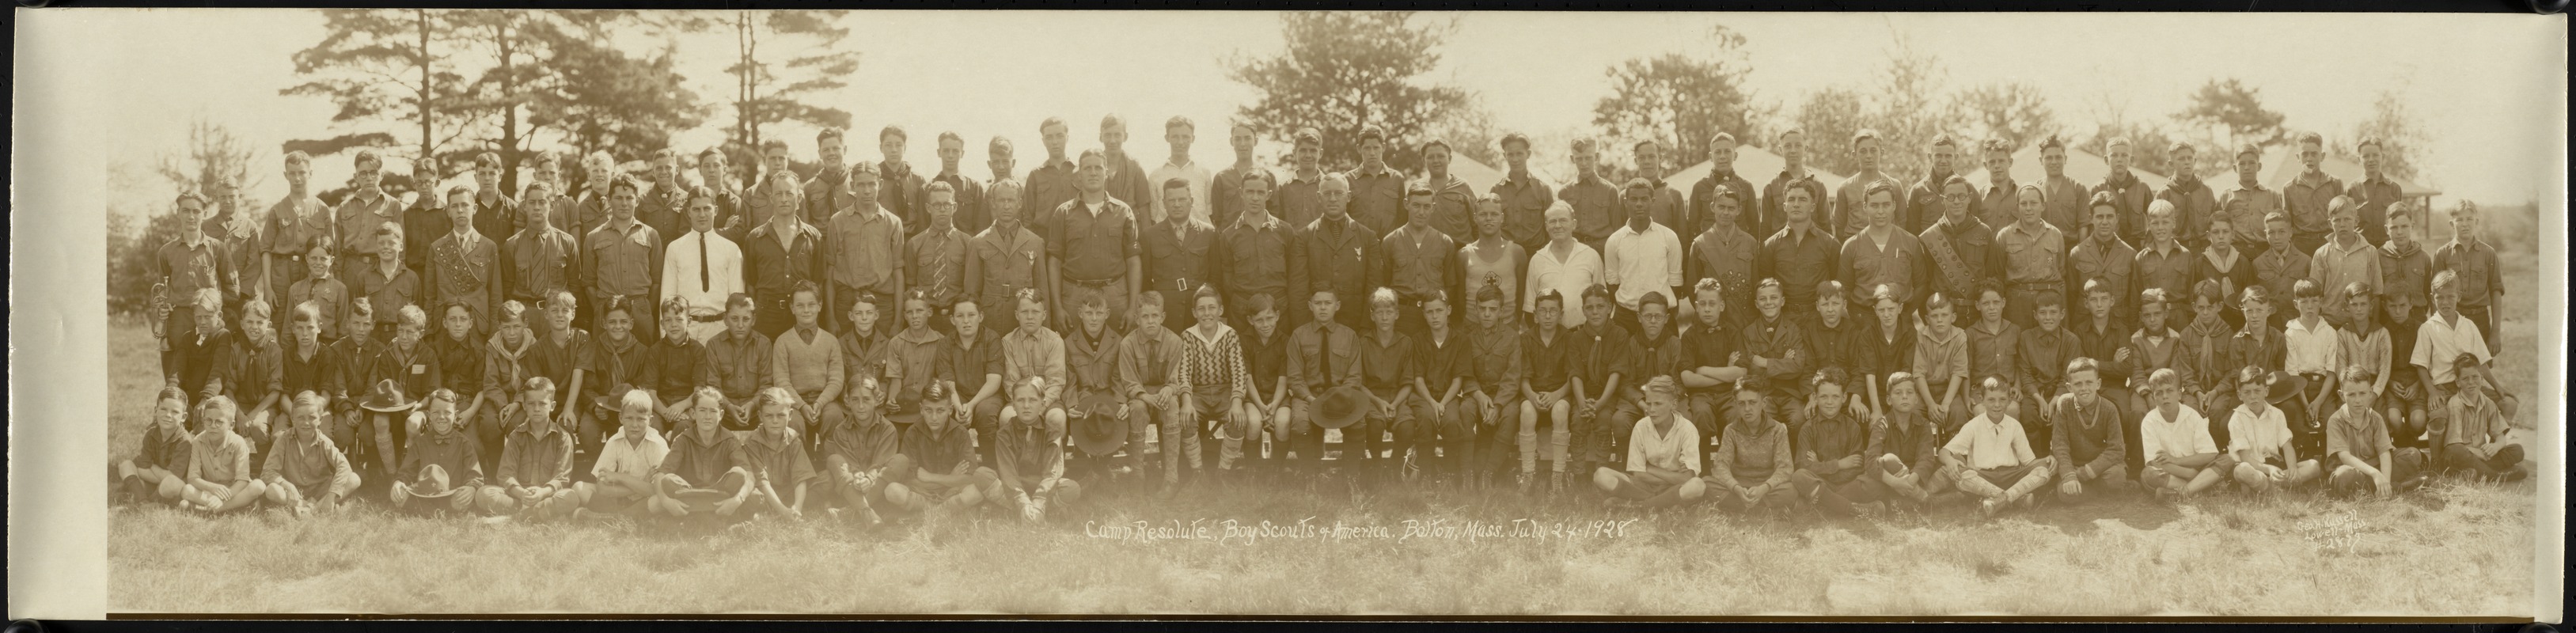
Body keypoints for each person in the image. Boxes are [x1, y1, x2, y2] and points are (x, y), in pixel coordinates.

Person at [1044, 150, 1144, 333]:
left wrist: (1133, 307)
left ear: (1106, 172)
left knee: (1118, 349)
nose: (1093, 172)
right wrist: (1057, 307)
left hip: (1115, 294)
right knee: (1073, 351)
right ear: (1079, 174)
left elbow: (1133, 261)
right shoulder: (1063, 213)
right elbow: (1054, 263)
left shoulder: (1123, 212)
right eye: (1087, 168)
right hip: (1074, 294)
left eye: (1098, 168)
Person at [1939, 377, 2054, 516]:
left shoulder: (2014, 426)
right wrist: (1949, 460)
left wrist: (2047, 460)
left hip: (2012, 477)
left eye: (2003, 400)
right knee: (1962, 477)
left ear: (2010, 401)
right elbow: (1944, 452)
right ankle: (2014, 498)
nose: (1997, 405)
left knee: (2045, 468)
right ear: (1982, 400)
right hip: (1983, 478)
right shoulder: (1973, 425)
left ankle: (1999, 500)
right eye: (1991, 400)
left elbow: (2029, 462)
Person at [882, 383, 1002, 517]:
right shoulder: (912, 433)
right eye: (928, 410)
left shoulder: (960, 433)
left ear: (950, 410)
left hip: (951, 492)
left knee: (976, 492)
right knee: (892, 490)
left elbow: (969, 479)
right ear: (921, 409)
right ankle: (945, 510)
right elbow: (910, 479)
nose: (934, 417)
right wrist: (951, 477)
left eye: (940, 411)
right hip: (922, 492)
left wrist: (930, 477)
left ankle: (933, 511)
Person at [648, 386, 757, 523]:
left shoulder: (730, 440)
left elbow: (749, 475)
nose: (707, 416)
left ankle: (694, 517)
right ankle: (714, 518)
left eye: (713, 411)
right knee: (659, 495)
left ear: (721, 415)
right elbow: (661, 475)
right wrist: (667, 502)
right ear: (693, 413)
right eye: (702, 410)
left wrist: (737, 499)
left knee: (743, 480)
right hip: (689, 492)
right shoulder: (683, 440)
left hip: (721, 493)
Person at [1593, 376, 1707, 506]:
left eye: (1658, 404)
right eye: (1649, 403)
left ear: (1674, 405)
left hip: (1674, 487)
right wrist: (1672, 476)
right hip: (1645, 486)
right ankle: (1661, 503)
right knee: (1601, 475)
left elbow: (1687, 478)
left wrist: (1649, 468)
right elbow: (1638, 474)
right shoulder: (1641, 427)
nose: (1651, 409)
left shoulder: (1687, 429)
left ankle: (1640, 505)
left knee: (1697, 486)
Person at [1284, 289, 1364, 472]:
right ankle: (1309, 475)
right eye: (1318, 303)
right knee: (1300, 426)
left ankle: (1351, 477)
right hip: (1309, 396)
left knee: (1358, 424)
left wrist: (1341, 396)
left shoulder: (1349, 336)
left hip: (1342, 396)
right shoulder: (1299, 335)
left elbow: (1354, 376)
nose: (1323, 308)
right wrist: (1311, 400)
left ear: (1337, 306)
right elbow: (1295, 378)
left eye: (1328, 303)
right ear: (1310, 306)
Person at [1212, 169, 1299, 333]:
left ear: (1269, 194)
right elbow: (1227, 278)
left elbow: (1295, 275)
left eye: (1261, 192)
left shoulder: (1285, 231)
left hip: (1278, 309)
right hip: (1243, 312)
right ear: (1241, 193)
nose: (1255, 197)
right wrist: (1245, 302)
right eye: (1250, 192)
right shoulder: (1228, 235)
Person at [823, 161, 904, 337]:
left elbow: (898, 273)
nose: (867, 191)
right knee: (845, 357)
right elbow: (830, 271)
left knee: (882, 357)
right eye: (861, 185)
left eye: (871, 184)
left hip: (882, 302)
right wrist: (830, 317)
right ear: (852, 186)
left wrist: (898, 321)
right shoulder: (838, 221)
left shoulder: (893, 223)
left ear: (880, 185)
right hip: (846, 301)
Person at [1180, 286, 1254, 476]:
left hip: (1224, 392)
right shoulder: (1188, 336)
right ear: (1194, 312)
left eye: (1212, 308)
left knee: (1238, 420)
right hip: (1199, 393)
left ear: (1220, 310)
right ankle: (1198, 471)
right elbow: (1184, 372)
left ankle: (1223, 470)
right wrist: (1187, 402)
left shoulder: (1229, 335)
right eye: (1201, 309)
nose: (1207, 313)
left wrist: (1236, 402)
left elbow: (1239, 371)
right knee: (1186, 419)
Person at [481, 378, 579, 519]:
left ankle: (513, 518)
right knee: (484, 494)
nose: (537, 409)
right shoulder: (516, 436)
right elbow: (505, 474)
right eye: (531, 404)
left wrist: (542, 493)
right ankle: (538, 514)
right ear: (525, 406)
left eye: (542, 404)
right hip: (520, 497)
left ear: (552, 406)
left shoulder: (562, 438)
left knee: (571, 498)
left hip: (546, 496)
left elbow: (562, 478)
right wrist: (522, 494)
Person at [571, 378, 666, 519]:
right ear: (620, 418)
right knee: (578, 488)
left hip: (645, 500)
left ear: (650, 420)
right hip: (620, 499)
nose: (635, 425)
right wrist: (641, 485)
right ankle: (627, 517)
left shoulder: (658, 444)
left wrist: (620, 477)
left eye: (641, 419)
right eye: (629, 418)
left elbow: (656, 490)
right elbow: (602, 488)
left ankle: (607, 519)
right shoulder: (615, 441)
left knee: (659, 501)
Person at [363, 305, 442, 476]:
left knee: (413, 424)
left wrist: (418, 406)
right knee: (379, 421)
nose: (403, 337)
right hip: (391, 407)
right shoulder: (387, 354)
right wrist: (393, 407)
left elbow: (432, 393)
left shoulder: (428, 356)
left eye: (409, 332)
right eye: (400, 330)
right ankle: (392, 473)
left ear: (420, 334)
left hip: (419, 407)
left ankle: (410, 471)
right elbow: (383, 388)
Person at [1299, 173, 1383, 332]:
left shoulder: (1367, 237)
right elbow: (1299, 288)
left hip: (1355, 323)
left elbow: (1373, 287)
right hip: (1316, 325)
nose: (1332, 199)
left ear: (1349, 196)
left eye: (1338, 193)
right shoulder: (1304, 237)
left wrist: (1366, 325)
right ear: (1318, 197)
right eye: (1327, 194)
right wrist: (1304, 329)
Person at [1790, 368, 1880, 515]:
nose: (1830, 402)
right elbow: (1803, 465)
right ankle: (1852, 509)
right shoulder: (1807, 429)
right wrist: (1839, 464)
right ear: (1815, 397)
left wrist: (1819, 465)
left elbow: (1856, 467)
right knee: (1799, 476)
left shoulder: (1853, 427)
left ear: (1844, 398)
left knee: (1874, 484)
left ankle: (1824, 505)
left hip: (1843, 485)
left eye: (1835, 397)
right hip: (1820, 482)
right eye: (1824, 397)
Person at [2325, 364, 2424, 498]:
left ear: (2371, 392)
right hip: (2351, 469)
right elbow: (2345, 458)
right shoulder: (2335, 421)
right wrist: (2376, 474)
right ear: (2342, 395)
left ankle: (2383, 488)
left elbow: (2384, 453)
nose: (2358, 400)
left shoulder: (2376, 418)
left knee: (2413, 454)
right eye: (2351, 395)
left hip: (2375, 465)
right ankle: (2397, 487)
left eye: (2363, 393)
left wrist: (2385, 482)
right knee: (2344, 476)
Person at [663, 186, 747, 343]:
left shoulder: (731, 249)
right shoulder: (675, 249)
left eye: (707, 209)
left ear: (715, 210)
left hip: (721, 330)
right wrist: (666, 337)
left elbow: (737, 298)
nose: (702, 215)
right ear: (688, 212)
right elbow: (667, 297)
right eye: (696, 209)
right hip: (685, 331)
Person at [2219, 367, 2323, 492]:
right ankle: (2277, 489)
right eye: (2247, 392)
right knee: (2243, 471)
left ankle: (2265, 487)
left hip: (2275, 465)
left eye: (2258, 391)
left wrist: (2292, 468)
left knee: (2314, 466)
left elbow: (2287, 446)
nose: (2253, 397)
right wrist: (2269, 470)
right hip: (2251, 466)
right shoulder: (2237, 419)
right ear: (2239, 395)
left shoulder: (2277, 414)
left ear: (2266, 391)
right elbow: (2245, 458)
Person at [1606, 178, 1687, 336]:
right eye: (1634, 199)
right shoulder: (1614, 241)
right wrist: (1631, 304)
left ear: (1653, 201)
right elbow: (1612, 282)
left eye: (1644, 199)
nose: (1639, 204)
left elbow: (1675, 283)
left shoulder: (1669, 237)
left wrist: (1657, 310)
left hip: (1661, 317)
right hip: (1626, 319)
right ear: (1625, 202)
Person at [1406, 290, 1472, 483]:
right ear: (1424, 314)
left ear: (1449, 310)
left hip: (1448, 396)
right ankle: (1425, 474)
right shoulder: (1417, 340)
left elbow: (1458, 379)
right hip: (1423, 396)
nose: (1435, 316)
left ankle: (1449, 475)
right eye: (1429, 312)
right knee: (1426, 419)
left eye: (1439, 310)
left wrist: (1442, 403)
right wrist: (1433, 403)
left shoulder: (1460, 340)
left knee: (1452, 421)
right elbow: (1417, 379)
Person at [261, 392, 362, 517]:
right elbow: (267, 472)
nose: (306, 423)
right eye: (300, 417)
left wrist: (331, 496)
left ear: (320, 420)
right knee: (272, 490)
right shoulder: (283, 440)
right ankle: (315, 508)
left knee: (354, 479)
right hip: (295, 493)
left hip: (321, 491)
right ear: (293, 419)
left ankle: (310, 510)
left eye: (312, 417)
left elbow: (344, 467)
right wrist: (286, 485)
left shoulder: (324, 442)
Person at [1569, 286, 1633, 480]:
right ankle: (1579, 474)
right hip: (1583, 395)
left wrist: (1600, 403)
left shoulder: (1620, 335)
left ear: (1610, 308)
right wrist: (1582, 403)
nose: (1595, 312)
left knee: (1604, 419)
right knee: (1579, 420)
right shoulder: (1576, 337)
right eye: (1589, 308)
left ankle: (1601, 472)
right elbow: (1576, 374)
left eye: (1600, 306)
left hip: (1608, 395)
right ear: (1583, 310)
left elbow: (1616, 372)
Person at [996, 377, 1082, 523]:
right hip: (1015, 484)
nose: (1026, 406)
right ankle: (1031, 511)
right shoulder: (1004, 434)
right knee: (983, 476)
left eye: (1033, 400)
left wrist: (1039, 500)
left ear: (1042, 404)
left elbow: (1052, 472)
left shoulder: (1052, 433)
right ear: (1013, 405)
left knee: (1072, 488)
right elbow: (1008, 472)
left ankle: (1030, 511)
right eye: (1020, 400)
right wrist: (1022, 500)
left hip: (1042, 484)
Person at [968, 180, 1048, 336]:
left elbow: (1042, 291)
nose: (1006, 206)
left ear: (1020, 203)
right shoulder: (978, 242)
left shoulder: (1035, 242)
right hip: (989, 318)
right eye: (1001, 200)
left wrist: (1046, 329)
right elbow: (972, 293)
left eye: (1011, 200)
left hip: (1024, 320)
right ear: (993, 203)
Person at [1464, 282, 1524, 489]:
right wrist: (1479, 395)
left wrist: (1497, 405)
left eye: (1493, 309)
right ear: (1476, 310)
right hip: (1476, 394)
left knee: (1511, 414)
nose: (1487, 314)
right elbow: (1465, 373)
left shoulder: (1512, 337)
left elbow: (1513, 375)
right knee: (1465, 411)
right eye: (1482, 309)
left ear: (1502, 311)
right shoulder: (1468, 338)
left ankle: (1489, 473)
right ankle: (1467, 473)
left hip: (1503, 396)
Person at [817, 375, 899, 526]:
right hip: (852, 485)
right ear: (847, 401)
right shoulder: (840, 430)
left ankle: (850, 511)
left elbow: (881, 463)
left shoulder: (888, 429)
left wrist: (869, 479)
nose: (861, 406)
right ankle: (867, 512)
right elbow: (847, 464)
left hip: (877, 485)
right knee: (834, 460)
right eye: (855, 400)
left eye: (866, 400)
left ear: (876, 400)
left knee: (901, 461)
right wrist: (857, 476)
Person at [209, 298, 284, 462]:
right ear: (242, 324)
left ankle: (266, 465)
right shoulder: (235, 350)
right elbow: (228, 389)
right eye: (249, 322)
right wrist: (240, 415)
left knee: (258, 428)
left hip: (265, 406)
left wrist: (251, 416)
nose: (254, 327)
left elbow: (275, 393)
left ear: (268, 325)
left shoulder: (275, 351)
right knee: (223, 423)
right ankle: (227, 465)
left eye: (260, 322)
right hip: (239, 405)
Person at [1519, 290, 1580, 492]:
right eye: (1542, 311)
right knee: (1527, 412)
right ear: (1535, 314)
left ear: (1561, 314)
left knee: (1560, 411)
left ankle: (1558, 475)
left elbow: (1574, 377)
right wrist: (1533, 397)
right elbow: (1523, 378)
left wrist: (1555, 395)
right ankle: (1527, 474)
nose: (1547, 316)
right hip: (1533, 394)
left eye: (1553, 311)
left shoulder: (1570, 338)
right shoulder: (1526, 339)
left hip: (1560, 394)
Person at [2136, 368, 2226, 501]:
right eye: (2159, 393)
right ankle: (2203, 488)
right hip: (2174, 474)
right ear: (2154, 397)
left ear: (2179, 394)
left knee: (2227, 460)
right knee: (2148, 475)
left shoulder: (2192, 415)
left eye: (2169, 391)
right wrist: (2189, 474)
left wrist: (2177, 461)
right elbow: (2154, 462)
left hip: (2196, 468)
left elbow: (2210, 454)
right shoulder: (2149, 421)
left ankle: (2182, 493)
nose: (2165, 396)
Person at [1352, 288, 1413, 485]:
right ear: (1372, 315)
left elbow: (1408, 382)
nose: (1385, 317)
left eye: (1389, 312)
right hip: (1372, 397)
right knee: (1375, 425)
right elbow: (1359, 383)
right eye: (1379, 312)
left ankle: (1395, 465)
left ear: (1397, 314)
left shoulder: (1406, 342)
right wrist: (1378, 402)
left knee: (1407, 427)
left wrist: (1394, 404)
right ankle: (1377, 464)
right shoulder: (1364, 342)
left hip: (1398, 397)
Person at [1000, 290, 1070, 461]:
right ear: (1017, 315)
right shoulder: (1007, 342)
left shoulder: (1054, 341)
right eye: (1025, 312)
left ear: (1044, 315)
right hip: (1017, 400)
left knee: (1057, 419)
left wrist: (1041, 406)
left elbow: (1056, 381)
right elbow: (1011, 381)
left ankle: (1052, 468)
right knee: (1006, 417)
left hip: (1049, 401)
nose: (1030, 317)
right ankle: (1016, 468)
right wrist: (1024, 403)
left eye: (1035, 312)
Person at [389, 389, 484, 514]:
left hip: (451, 495)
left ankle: (426, 512)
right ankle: (440, 513)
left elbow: (475, 476)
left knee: (462, 499)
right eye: (436, 412)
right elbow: (406, 472)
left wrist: (471, 488)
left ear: (455, 414)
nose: (442, 417)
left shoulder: (464, 443)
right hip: (424, 495)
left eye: (447, 413)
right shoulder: (421, 443)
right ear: (429, 414)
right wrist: (398, 483)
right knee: (399, 494)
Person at [1062, 294, 1126, 478]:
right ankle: (1082, 464)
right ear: (1080, 313)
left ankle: (1101, 465)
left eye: (1099, 313)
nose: (1094, 318)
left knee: (1118, 416)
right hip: (1082, 396)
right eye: (1089, 313)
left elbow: (1119, 378)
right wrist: (1071, 403)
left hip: (1109, 396)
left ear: (1107, 314)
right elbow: (1069, 379)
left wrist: (1121, 401)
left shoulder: (1118, 342)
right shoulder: (1069, 343)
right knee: (1078, 416)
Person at [937, 298, 1007, 466]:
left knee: (986, 413)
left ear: (981, 316)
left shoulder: (991, 339)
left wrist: (973, 404)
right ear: (953, 319)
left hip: (986, 395)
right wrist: (958, 406)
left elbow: (994, 380)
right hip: (957, 395)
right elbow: (947, 381)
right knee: (947, 413)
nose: (966, 321)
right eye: (960, 316)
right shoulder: (946, 343)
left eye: (971, 315)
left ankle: (991, 468)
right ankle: (956, 469)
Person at [1143, 179, 1219, 332]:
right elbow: (1145, 282)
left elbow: (1216, 278)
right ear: (1164, 202)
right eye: (1171, 200)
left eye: (1182, 199)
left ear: (1191, 201)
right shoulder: (1149, 236)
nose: (1177, 204)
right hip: (1165, 315)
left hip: (1198, 314)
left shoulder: (1209, 233)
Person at [770, 282, 842, 442]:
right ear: (792, 308)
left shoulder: (831, 341)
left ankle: (828, 461)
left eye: (811, 305)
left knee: (835, 416)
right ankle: (801, 464)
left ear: (820, 306)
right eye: (800, 305)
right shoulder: (782, 342)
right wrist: (802, 406)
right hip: (794, 402)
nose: (806, 310)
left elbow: (836, 380)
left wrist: (820, 403)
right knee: (793, 422)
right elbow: (781, 381)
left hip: (824, 401)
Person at [2048, 358, 2127, 502]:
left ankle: (2084, 489)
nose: (2084, 388)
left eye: (2089, 382)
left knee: (2117, 476)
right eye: (2078, 384)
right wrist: (2069, 474)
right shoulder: (2064, 404)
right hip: (2075, 464)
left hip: (2099, 466)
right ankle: (2094, 490)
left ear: (2098, 384)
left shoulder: (2109, 408)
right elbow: (2060, 445)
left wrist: (2086, 473)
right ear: (2069, 387)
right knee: (2064, 494)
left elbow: (2117, 449)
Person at [2434, 357, 2525, 482]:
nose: (2471, 382)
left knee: (2517, 450)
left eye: (2475, 377)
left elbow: (2500, 436)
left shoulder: (2488, 403)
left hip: (2480, 456)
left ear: (2482, 378)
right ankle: (2495, 477)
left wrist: (2495, 447)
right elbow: (2454, 444)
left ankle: (2471, 473)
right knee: (2456, 452)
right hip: (2459, 455)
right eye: (2465, 379)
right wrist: (2477, 453)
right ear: (2458, 382)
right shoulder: (2456, 404)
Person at [1758, 178, 1838, 323]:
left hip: (1819, 319)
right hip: (1783, 319)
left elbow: (1836, 285)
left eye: (1802, 199)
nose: (1796, 204)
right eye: (1791, 200)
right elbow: (1766, 289)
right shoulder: (1770, 246)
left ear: (1813, 207)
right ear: (1784, 206)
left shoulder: (1830, 244)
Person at [1838, 180, 1927, 310]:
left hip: (1901, 318)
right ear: (1865, 206)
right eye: (1874, 205)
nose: (1881, 211)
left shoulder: (1911, 242)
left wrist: (1907, 314)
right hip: (1864, 320)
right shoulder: (1851, 246)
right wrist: (1858, 318)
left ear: (1894, 206)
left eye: (1886, 205)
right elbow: (1844, 289)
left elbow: (1922, 285)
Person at [1679, 279, 1748, 442]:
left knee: (1735, 415)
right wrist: (1726, 371)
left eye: (1712, 304)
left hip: (1728, 394)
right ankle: (1702, 466)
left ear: (1721, 306)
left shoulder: (1733, 333)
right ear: (1696, 307)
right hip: (1701, 395)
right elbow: (1688, 379)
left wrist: (1702, 370)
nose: (1707, 309)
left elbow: (1741, 372)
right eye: (1702, 304)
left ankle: (1729, 464)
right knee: (1701, 414)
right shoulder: (1689, 336)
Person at [1384, 182, 1457, 337]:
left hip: (1433, 315)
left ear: (1433, 208)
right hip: (1401, 316)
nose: (1421, 212)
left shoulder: (1445, 242)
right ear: (1406, 204)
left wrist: (1438, 311)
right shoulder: (1390, 241)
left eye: (1427, 206)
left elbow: (1450, 285)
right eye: (1416, 205)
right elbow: (1384, 282)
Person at [260, 152, 331, 309]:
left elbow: (330, 251)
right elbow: (266, 250)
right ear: (286, 175)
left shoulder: (322, 209)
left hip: (311, 273)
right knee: (279, 320)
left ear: (310, 173)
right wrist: (268, 288)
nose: (297, 178)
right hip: (280, 276)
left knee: (309, 319)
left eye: (302, 172)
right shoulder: (277, 210)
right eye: (292, 173)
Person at [1921, 176, 1994, 328]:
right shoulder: (1931, 236)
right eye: (1950, 197)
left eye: (1961, 196)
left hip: (1977, 313)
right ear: (1942, 200)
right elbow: (1925, 281)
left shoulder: (1984, 232)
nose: (1956, 201)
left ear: (1970, 198)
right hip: (1943, 315)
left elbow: (1993, 276)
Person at [1709, 385, 1796, 513]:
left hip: (1766, 485)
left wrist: (1764, 488)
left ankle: (1738, 506)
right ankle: (1762, 508)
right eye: (1741, 404)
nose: (1747, 409)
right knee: (1706, 483)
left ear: (1764, 403)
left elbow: (1785, 468)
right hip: (1739, 483)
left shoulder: (1777, 430)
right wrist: (1736, 488)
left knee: (1791, 490)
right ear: (1736, 405)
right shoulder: (1731, 430)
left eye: (1753, 402)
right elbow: (1721, 465)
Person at [427, 186, 502, 333]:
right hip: (444, 326)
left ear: (474, 208)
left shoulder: (489, 247)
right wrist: (429, 332)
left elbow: (496, 297)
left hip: (478, 327)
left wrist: (494, 334)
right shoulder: (436, 248)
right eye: (454, 206)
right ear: (448, 211)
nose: (460, 210)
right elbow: (429, 297)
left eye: (465, 205)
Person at [2283, 279, 2343, 454]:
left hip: (2323, 388)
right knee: (2295, 416)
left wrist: (2317, 403)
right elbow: (2293, 374)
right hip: (2298, 388)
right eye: (2304, 302)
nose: (2310, 307)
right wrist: (2306, 405)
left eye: (2314, 301)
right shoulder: (2290, 333)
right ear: (2296, 304)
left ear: (2321, 302)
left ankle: (2329, 460)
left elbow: (2332, 372)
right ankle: (2305, 456)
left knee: (2331, 419)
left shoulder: (2330, 333)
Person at [1740, 279, 1809, 432]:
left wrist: (1765, 362)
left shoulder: (1793, 330)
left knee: (1799, 420)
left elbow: (1798, 367)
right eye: (1763, 299)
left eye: (1774, 298)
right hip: (1763, 393)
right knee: (1760, 421)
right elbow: (1752, 370)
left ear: (1782, 301)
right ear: (1757, 304)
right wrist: (1783, 362)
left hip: (1789, 393)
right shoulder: (1749, 333)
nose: (1768, 302)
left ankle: (1790, 456)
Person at [740, 387, 819, 521]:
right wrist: (783, 511)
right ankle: (773, 512)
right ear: (760, 416)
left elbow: (801, 477)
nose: (775, 421)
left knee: (825, 480)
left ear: (791, 415)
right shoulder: (752, 443)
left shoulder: (794, 440)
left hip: (788, 492)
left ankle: (784, 511)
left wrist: (797, 507)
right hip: (763, 493)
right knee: (751, 496)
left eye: (781, 415)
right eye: (769, 415)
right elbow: (762, 482)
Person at [2431, 201, 2502, 349]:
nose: (2465, 224)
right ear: (2452, 224)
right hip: (2452, 318)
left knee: (2480, 369)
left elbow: (2496, 292)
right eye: (2460, 220)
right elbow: (2435, 295)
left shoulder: (2488, 254)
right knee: (2450, 368)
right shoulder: (2442, 254)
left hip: (2480, 320)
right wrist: (2436, 329)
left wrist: (2495, 332)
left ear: (2476, 221)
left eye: (2469, 219)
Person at [1868, 372, 1947, 506]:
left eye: (1910, 392)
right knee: (1889, 460)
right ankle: (1928, 500)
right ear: (1888, 400)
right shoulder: (1881, 425)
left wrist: (1909, 483)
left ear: (1916, 399)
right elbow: (1871, 461)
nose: (1904, 397)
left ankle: (1916, 499)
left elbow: (1926, 458)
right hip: (1893, 481)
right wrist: (1896, 483)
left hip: (1916, 478)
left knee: (1957, 462)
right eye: (1898, 393)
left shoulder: (1923, 424)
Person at [1686, 184, 1760, 323]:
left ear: (1739, 210)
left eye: (1731, 208)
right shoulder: (1699, 244)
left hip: (1743, 319)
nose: (1726, 212)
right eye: (1721, 207)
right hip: (1713, 320)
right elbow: (1692, 289)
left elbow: (1756, 283)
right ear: (1713, 207)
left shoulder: (1750, 243)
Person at [180, 396, 267, 514]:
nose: (212, 426)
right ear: (204, 420)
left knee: (258, 486)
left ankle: (209, 509)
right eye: (208, 420)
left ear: (231, 425)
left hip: (234, 490)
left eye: (219, 422)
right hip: (210, 490)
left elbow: (242, 480)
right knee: (187, 490)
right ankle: (237, 507)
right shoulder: (198, 441)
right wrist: (212, 488)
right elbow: (193, 478)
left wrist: (222, 497)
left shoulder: (238, 443)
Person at [1997, 184, 2068, 328]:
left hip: (2048, 304)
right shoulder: (2005, 236)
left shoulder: (2055, 235)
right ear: (2018, 207)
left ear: (2043, 206)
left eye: (2034, 203)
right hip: (2016, 304)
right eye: (2024, 203)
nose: (2028, 208)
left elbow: (2061, 273)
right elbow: (1998, 274)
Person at [2015, 293, 2080, 448]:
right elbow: (2025, 374)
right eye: (2043, 313)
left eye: (2053, 312)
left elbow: (2068, 377)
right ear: (2035, 315)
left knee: (2064, 414)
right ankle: (2035, 462)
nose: (2048, 317)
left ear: (2062, 314)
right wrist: (2040, 400)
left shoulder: (2072, 340)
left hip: (2061, 392)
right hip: (2034, 392)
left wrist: (2053, 403)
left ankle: (2060, 459)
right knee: (2028, 415)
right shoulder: (2026, 337)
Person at [1240, 294, 1296, 476]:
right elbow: (1246, 377)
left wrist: (1274, 405)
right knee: (1254, 422)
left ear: (1278, 316)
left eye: (1270, 318)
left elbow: (1283, 379)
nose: (1265, 325)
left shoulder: (1285, 341)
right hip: (1253, 397)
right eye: (1259, 320)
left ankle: (1276, 466)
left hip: (1278, 397)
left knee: (1283, 421)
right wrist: (1261, 407)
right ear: (1250, 320)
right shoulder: (1244, 341)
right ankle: (1251, 466)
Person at [909, 181, 974, 333]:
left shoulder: (968, 243)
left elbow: (972, 287)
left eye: (947, 204)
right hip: (927, 320)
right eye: (937, 205)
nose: (942, 210)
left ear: (955, 207)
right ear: (928, 208)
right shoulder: (915, 244)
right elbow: (910, 287)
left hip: (957, 320)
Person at [115, 388, 199, 505]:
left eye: (175, 412)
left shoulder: (184, 441)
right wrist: (152, 471)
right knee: (125, 465)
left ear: (184, 417)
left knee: (172, 484)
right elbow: (142, 469)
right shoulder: (151, 434)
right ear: (156, 410)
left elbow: (172, 477)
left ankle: (143, 497)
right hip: (153, 482)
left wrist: (151, 466)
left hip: (172, 487)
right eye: (163, 409)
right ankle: (143, 501)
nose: (168, 415)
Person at [1526, 201, 1603, 329]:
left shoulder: (1590, 256)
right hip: (1550, 337)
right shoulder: (1537, 260)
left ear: (1574, 224)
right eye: (1552, 221)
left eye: (1563, 220)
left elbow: (1601, 301)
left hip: (1583, 335)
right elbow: (1529, 307)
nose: (1557, 226)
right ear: (1546, 226)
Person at [2309, 197, 2382, 330]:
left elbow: (2377, 292)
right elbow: (2314, 295)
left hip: (2362, 324)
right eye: (2337, 220)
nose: (2342, 224)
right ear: (2330, 223)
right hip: (2330, 323)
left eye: (2347, 219)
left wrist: (2374, 325)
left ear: (2356, 221)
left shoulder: (2370, 252)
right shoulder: (2321, 254)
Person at [704, 294, 771, 435]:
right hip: (723, 413)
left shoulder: (764, 344)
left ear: (754, 320)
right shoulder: (713, 345)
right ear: (725, 319)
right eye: (734, 319)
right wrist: (729, 407)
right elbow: (713, 386)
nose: (740, 325)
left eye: (746, 319)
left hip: (756, 413)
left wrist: (752, 405)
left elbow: (766, 384)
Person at [883, 292, 947, 428]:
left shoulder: (941, 341)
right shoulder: (896, 343)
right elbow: (896, 379)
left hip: (930, 404)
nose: (915, 316)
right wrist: (891, 400)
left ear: (929, 312)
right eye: (910, 312)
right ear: (905, 315)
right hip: (904, 405)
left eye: (919, 311)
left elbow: (942, 380)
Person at [1913, 293, 1972, 436]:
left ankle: (1955, 451)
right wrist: (1930, 405)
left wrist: (1946, 404)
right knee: (1913, 412)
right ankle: (1920, 450)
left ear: (1953, 317)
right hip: (1924, 392)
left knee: (1958, 412)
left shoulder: (1960, 337)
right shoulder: (1921, 336)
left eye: (1944, 315)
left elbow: (1959, 372)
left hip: (1949, 390)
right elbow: (1918, 374)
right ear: (1927, 319)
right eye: (1934, 316)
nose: (1940, 320)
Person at [2069, 193, 2137, 316]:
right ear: (2091, 218)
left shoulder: (2130, 254)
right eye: (2100, 217)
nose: (2105, 222)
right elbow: (2072, 295)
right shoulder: (2077, 253)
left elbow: (2133, 299)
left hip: (2119, 325)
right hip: (2085, 325)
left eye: (2110, 216)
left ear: (2117, 218)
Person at [355, 223, 423, 340]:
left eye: (391, 243)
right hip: (372, 337)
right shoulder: (364, 277)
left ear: (401, 246)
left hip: (401, 338)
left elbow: (418, 314)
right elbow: (357, 313)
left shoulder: (412, 278)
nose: (386, 247)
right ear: (376, 247)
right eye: (381, 243)